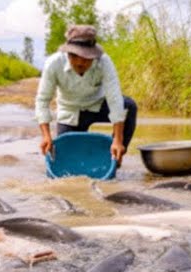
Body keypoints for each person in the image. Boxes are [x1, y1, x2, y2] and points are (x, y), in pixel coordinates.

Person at [35, 25, 138, 168]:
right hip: (69, 111)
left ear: (93, 55)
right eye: (75, 56)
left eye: (86, 57)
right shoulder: (53, 64)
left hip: (97, 104)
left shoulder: (104, 62)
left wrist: (118, 140)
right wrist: (46, 135)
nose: (80, 62)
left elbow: (115, 99)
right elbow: (42, 100)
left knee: (129, 106)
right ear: (68, 53)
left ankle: (115, 158)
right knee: (66, 162)